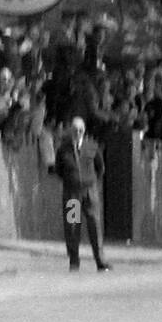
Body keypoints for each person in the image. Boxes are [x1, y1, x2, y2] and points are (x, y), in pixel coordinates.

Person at [48, 116, 111, 272]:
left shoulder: (92, 146)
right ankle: (74, 261)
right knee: (72, 226)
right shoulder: (63, 149)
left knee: (94, 225)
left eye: (80, 129)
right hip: (72, 192)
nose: (78, 132)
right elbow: (59, 169)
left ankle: (100, 261)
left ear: (84, 130)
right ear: (70, 131)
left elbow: (100, 168)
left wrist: (91, 181)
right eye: (75, 130)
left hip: (89, 192)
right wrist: (71, 180)